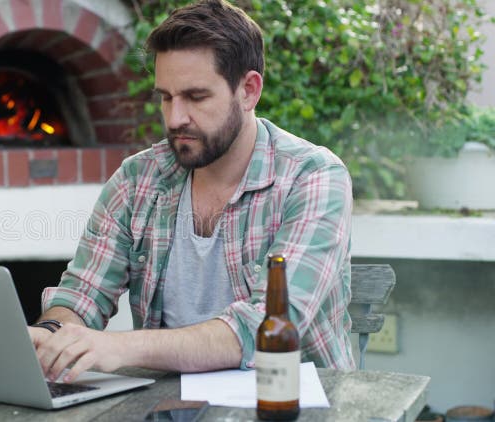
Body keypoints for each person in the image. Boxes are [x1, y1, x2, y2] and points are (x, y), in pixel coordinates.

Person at [29, 0, 355, 383]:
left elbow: (267, 326)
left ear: (249, 91)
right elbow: (82, 295)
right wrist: (51, 336)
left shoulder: (312, 177)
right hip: (166, 406)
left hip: (289, 404)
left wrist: (119, 346)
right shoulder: (138, 180)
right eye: (166, 97)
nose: (175, 118)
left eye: (195, 97)